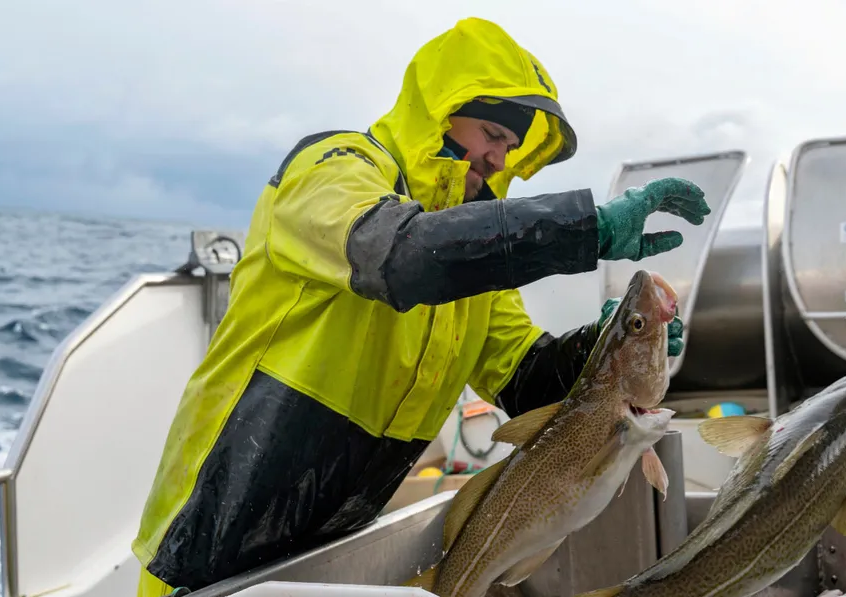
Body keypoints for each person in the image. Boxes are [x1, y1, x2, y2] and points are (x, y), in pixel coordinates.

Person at [132, 16, 710, 596]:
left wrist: (609, 343)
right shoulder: (333, 168)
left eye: (510, 147)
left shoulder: (477, 268)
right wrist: (587, 230)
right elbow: (401, 255)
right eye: (491, 132)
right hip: (203, 546)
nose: (499, 160)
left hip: (328, 556)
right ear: (441, 110)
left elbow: (527, 380)